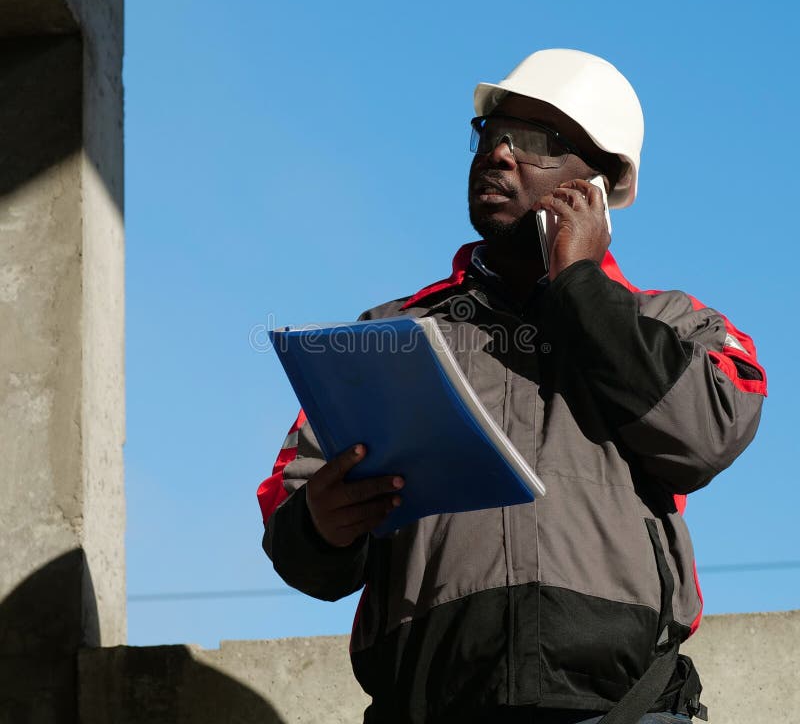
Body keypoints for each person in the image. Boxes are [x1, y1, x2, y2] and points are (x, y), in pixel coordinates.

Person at [258, 49, 766, 724]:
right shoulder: (387, 336)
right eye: (489, 134)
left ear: (599, 183)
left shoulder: (674, 324)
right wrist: (320, 528)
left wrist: (580, 287)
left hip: (628, 709)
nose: (498, 154)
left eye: (533, 142)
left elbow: (707, 435)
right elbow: (293, 518)